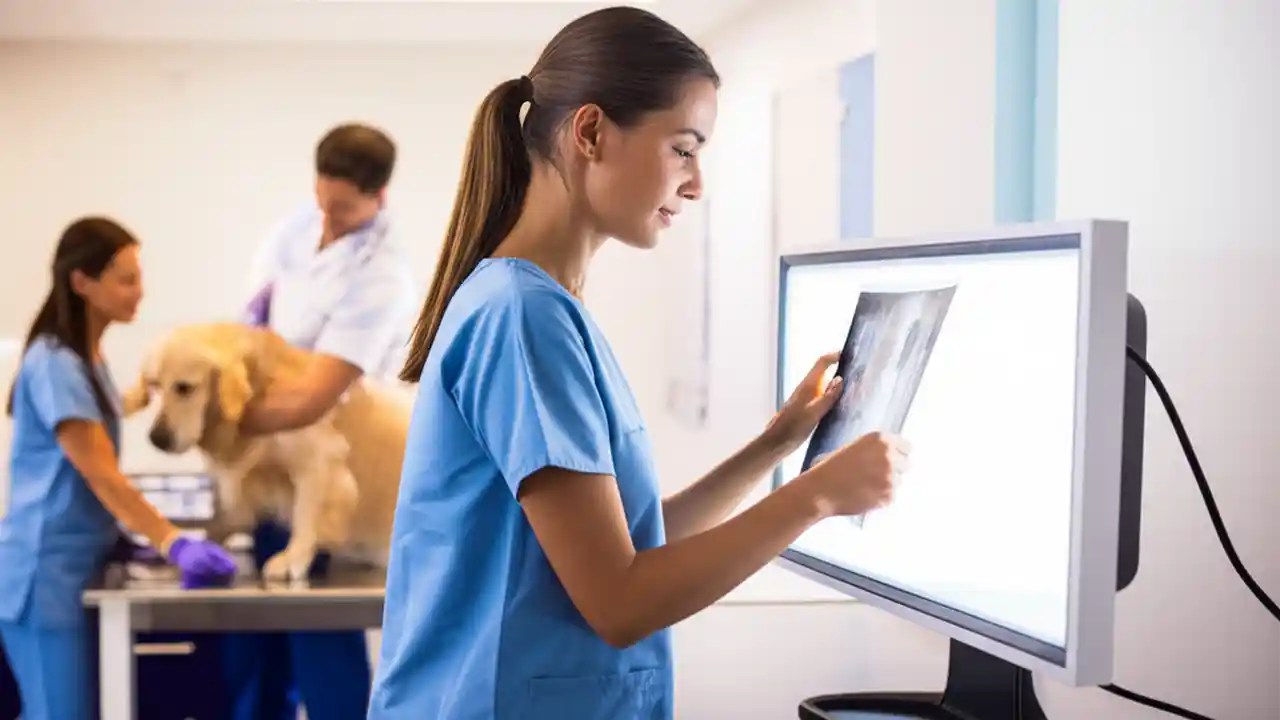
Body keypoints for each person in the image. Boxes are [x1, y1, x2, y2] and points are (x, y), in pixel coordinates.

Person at [367, 7, 911, 719]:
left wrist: (778, 447)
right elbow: (621, 601)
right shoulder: (522, 316)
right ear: (591, 132)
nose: (696, 185)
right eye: (684, 148)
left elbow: (634, 540)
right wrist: (815, 499)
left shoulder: (543, 307)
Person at [0, 217, 237, 719]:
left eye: (138, 276)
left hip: (76, 566)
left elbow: (116, 416)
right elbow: (101, 473)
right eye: (126, 279)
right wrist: (171, 540)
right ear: (82, 283)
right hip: (43, 573)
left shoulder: (90, 359)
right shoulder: (54, 362)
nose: (139, 291)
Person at [221, 123, 418, 720]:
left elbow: (316, 397)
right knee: (257, 646)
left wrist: (226, 418)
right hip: (275, 466)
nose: (328, 220)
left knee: (319, 638)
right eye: (322, 200)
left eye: (345, 208)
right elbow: (252, 323)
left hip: (334, 473)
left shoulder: (382, 277)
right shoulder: (296, 228)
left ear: (379, 197)